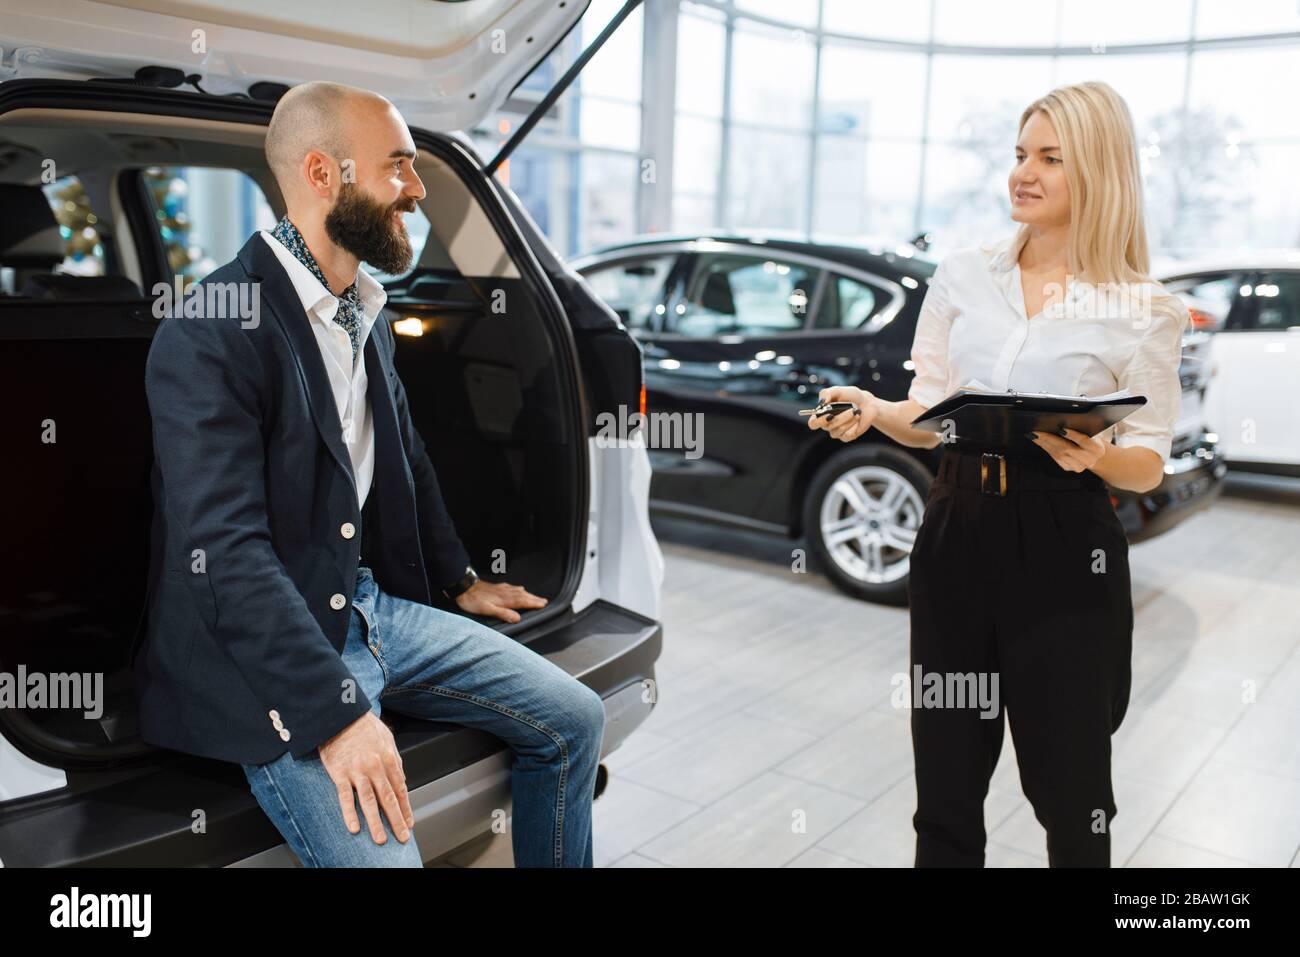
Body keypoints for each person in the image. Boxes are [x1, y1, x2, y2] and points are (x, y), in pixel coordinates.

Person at [135, 81, 606, 867]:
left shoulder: (362, 307)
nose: (417, 189)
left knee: (576, 718)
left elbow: (404, 453)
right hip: (268, 654)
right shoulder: (213, 329)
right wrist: (337, 713)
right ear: (324, 175)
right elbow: (225, 550)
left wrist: (459, 578)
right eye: (399, 166)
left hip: (373, 609)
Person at [808, 81, 1189, 867]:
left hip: (1066, 541)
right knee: (945, 781)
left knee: (1071, 788)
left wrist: (1099, 456)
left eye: (1051, 158)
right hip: (956, 531)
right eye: (1021, 155)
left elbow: (1148, 463)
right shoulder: (962, 274)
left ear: (1100, 171)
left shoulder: (1144, 306)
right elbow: (931, 415)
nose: (1026, 172)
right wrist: (874, 409)